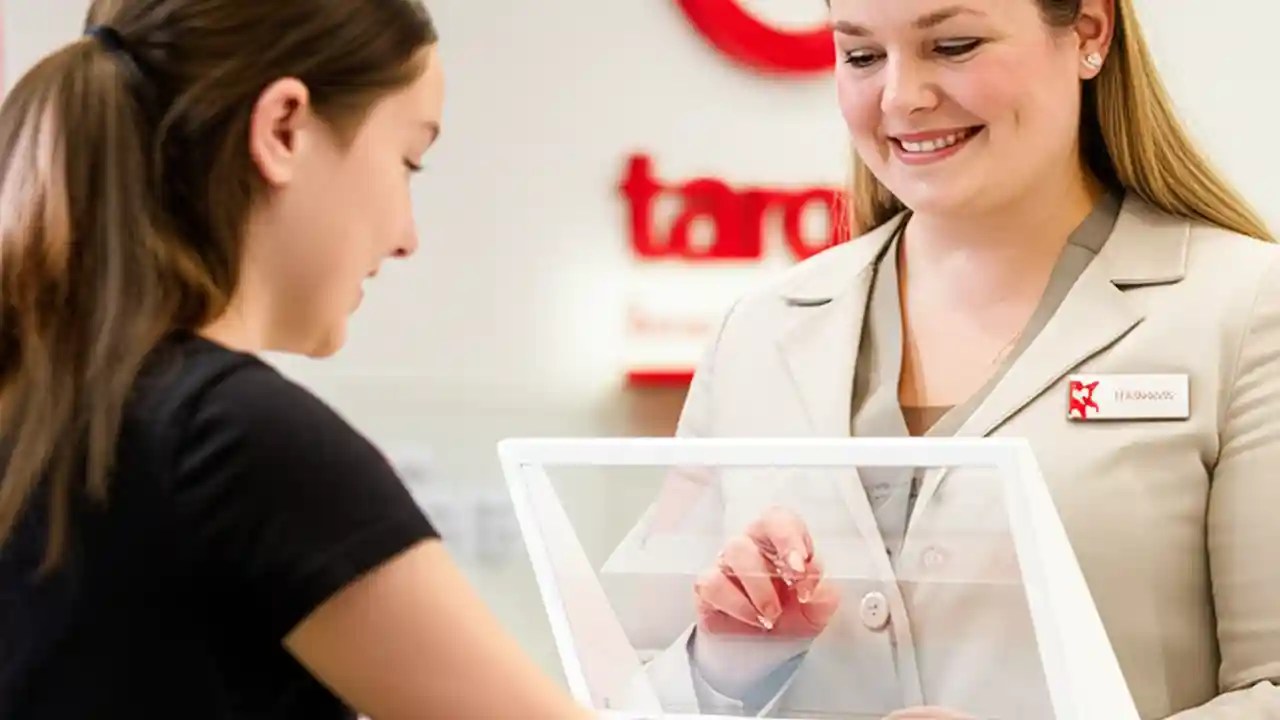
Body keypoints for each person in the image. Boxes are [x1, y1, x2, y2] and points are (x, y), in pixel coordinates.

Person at [608, 0, 1280, 718]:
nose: (901, 97)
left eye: (954, 45)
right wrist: (723, 665)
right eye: (862, 57)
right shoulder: (760, 331)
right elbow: (627, 690)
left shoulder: (1245, 310)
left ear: (1088, 31)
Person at [0, 2, 590, 719]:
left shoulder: (40, 405)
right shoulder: (234, 440)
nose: (408, 236)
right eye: (407, 161)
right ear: (283, 128)